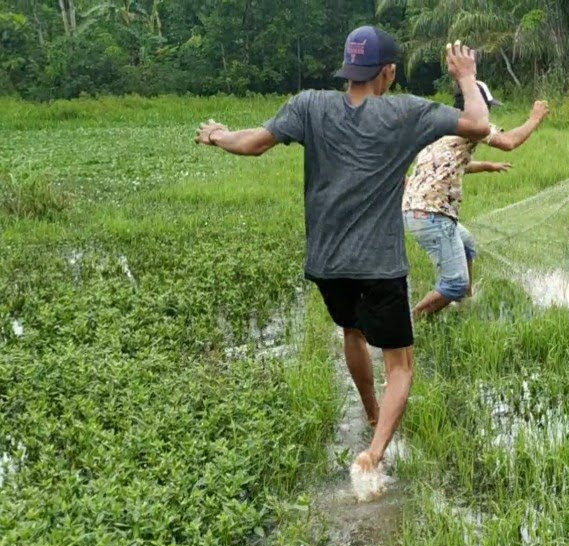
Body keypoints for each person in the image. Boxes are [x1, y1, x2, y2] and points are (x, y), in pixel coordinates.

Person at [194, 28, 492, 501]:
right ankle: (373, 454)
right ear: (388, 72)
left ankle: (372, 412)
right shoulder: (406, 111)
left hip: (327, 262)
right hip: (378, 264)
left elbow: (251, 143)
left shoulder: (310, 105)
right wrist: (467, 75)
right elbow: (477, 124)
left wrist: (215, 135)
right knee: (401, 366)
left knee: (352, 333)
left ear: (347, 69)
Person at [402, 82, 550, 317]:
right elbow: (509, 142)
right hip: (431, 215)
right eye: (486, 106)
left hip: (418, 210)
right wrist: (535, 118)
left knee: (467, 244)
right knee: (454, 284)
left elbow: (448, 165)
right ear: (476, 105)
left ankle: (464, 304)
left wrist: (487, 166)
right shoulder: (474, 125)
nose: (488, 112)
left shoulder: (445, 123)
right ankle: (410, 323)